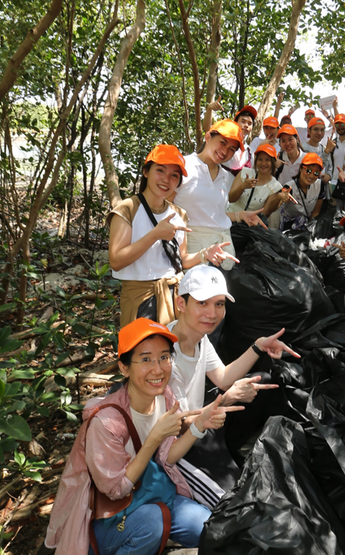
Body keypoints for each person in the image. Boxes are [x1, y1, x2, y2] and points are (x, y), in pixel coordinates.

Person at [45, 318, 240, 554]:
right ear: (124, 367)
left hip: (149, 493)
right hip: (107, 515)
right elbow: (115, 490)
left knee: (207, 528)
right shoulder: (106, 423)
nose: (157, 369)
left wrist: (199, 425)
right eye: (145, 359)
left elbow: (168, 457)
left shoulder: (164, 396)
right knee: (151, 523)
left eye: (164, 357)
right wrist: (153, 440)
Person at [166, 265, 297, 506]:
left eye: (219, 304)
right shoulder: (165, 355)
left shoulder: (199, 339)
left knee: (264, 384)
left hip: (202, 425)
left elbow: (224, 377)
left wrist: (259, 346)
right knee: (234, 504)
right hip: (178, 446)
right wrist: (226, 400)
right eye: (202, 303)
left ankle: (234, 453)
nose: (212, 313)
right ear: (181, 304)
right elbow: (175, 426)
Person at [108, 144, 236, 328]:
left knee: (172, 352)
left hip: (174, 296)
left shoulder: (179, 214)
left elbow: (181, 261)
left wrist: (204, 254)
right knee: (142, 353)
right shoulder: (128, 209)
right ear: (146, 171)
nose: (166, 180)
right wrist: (155, 235)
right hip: (140, 298)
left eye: (174, 175)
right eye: (160, 171)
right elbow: (116, 261)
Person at [175, 120, 266, 270]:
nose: (225, 151)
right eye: (222, 143)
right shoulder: (184, 166)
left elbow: (216, 215)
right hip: (193, 253)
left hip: (222, 251)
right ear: (208, 137)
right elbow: (165, 209)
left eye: (232, 149)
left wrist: (240, 215)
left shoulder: (226, 177)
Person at [227, 142, 292, 230]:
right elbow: (231, 199)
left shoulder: (275, 186)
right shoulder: (245, 173)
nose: (263, 163)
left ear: (273, 162)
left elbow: (265, 213)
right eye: (260, 159)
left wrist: (278, 198)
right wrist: (242, 187)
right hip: (229, 218)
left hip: (248, 227)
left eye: (267, 160)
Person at [279, 153, 325, 231]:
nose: (311, 176)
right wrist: (279, 197)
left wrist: (310, 229)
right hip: (289, 227)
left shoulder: (319, 185)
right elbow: (275, 206)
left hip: (308, 225)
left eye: (316, 173)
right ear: (300, 168)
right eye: (309, 170)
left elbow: (316, 212)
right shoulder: (289, 187)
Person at [222, 105, 257, 174]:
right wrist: (210, 110)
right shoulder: (224, 142)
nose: (246, 125)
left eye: (249, 123)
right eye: (243, 121)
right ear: (236, 122)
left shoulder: (250, 152)